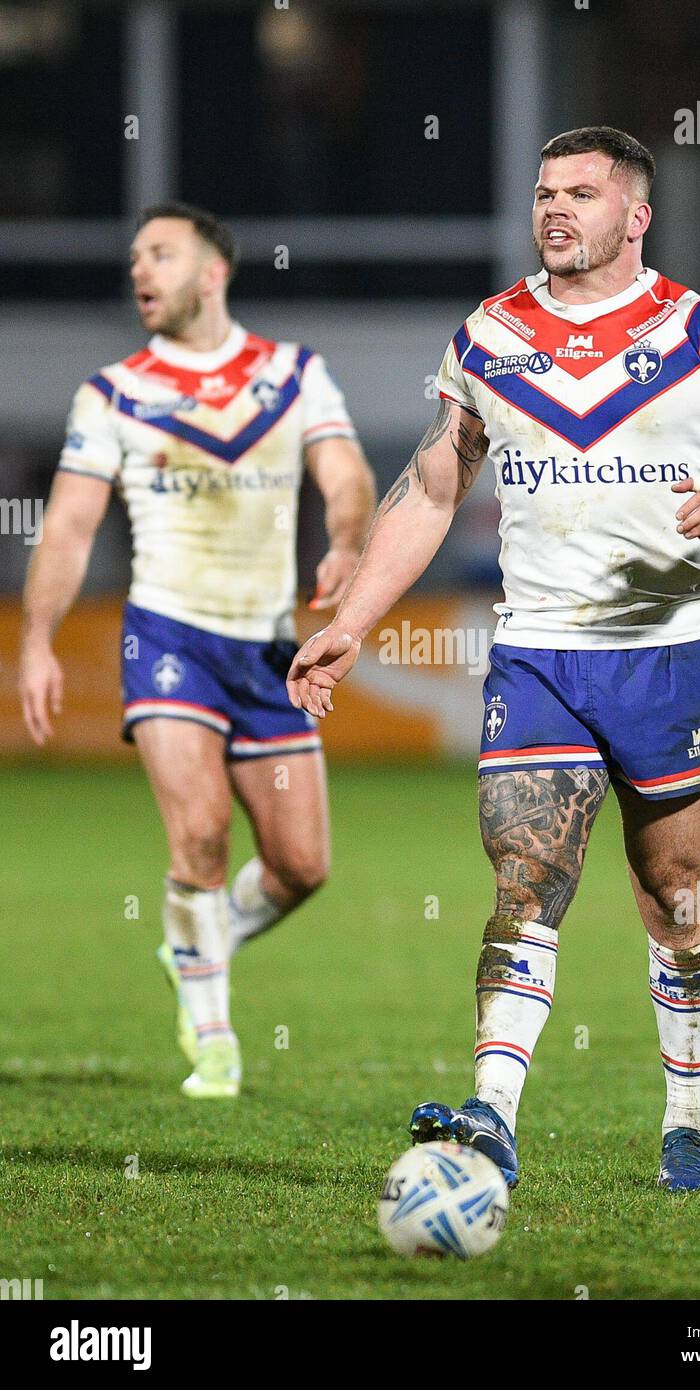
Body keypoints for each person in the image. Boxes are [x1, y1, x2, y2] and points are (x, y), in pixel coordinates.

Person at [286, 126, 700, 1190]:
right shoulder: (488, 335)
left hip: (667, 656)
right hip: (536, 653)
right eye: (542, 192)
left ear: (636, 215)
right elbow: (432, 489)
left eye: (580, 192)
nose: (554, 209)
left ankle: (685, 1123)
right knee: (525, 878)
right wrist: (353, 614)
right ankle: (490, 1116)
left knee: (672, 897)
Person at [19, 202, 376, 1099]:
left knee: (303, 866)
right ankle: (213, 1036)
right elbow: (66, 526)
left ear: (213, 272)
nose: (141, 271)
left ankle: (195, 945)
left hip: (266, 646)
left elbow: (346, 478)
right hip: (167, 633)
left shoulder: (295, 375)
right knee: (203, 831)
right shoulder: (113, 392)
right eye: (135, 257)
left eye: (162, 255)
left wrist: (346, 538)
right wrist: (36, 640)